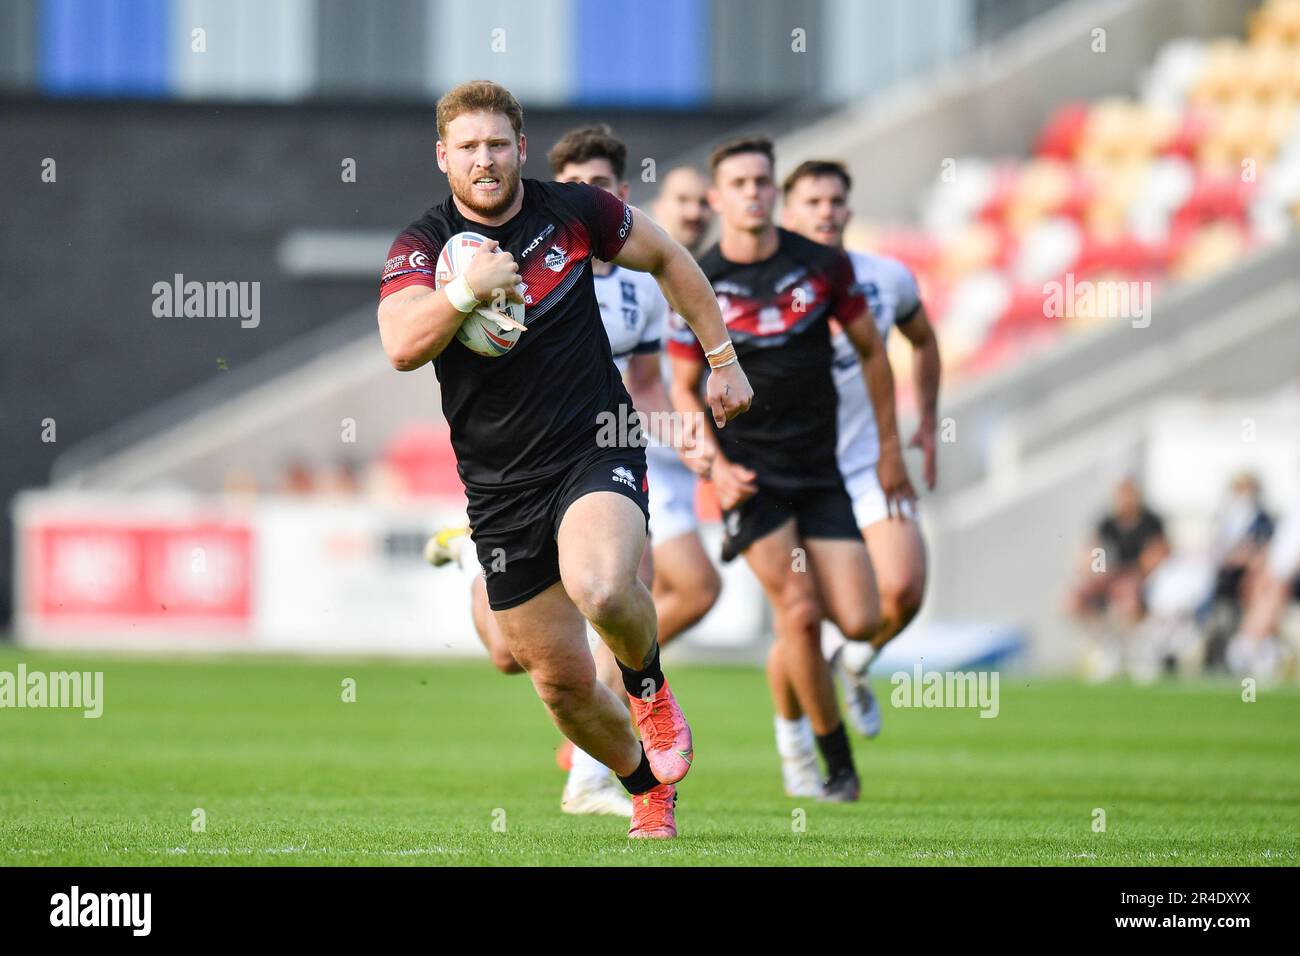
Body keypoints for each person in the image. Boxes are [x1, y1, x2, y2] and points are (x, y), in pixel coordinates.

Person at [377, 81, 753, 839]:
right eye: (468, 147)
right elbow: (400, 347)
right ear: (442, 156)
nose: (484, 159)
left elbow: (670, 257)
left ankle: (649, 688)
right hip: (499, 486)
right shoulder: (421, 246)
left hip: (595, 443)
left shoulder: (575, 213)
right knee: (557, 681)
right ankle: (647, 787)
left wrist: (723, 359)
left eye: (497, 144)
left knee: (603, 586)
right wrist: (463, 296)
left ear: (520, 148)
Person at [668, 135, 914, 801]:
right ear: (718, 198)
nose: (753, 193)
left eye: (762, 182)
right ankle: (829, 763)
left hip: (821, 471)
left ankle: (813, 705)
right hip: (752, 479)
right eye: (740, 183)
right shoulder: (698, 279)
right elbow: (683, 389)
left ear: (775, 191)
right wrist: (714, 467)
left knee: (861, 618)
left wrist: (891, 447)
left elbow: (873, 352)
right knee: (798, 612)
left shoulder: (822, 266)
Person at [772, 159, 940, 760]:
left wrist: (921, 429)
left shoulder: (884, 278)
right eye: (812, 201)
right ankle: (793, 739)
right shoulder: (761, 284)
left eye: (835, 200)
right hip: (795, 475)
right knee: (801, 616)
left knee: (904, 588)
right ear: (787, 212)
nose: (826, 211)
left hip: (869, 463)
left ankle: (856, 662)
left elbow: (923, 342)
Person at [1067, 476, 1170, 679]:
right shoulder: (1107, 523)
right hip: (1112, 578)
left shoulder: (1151, 522)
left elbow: (1154, 559)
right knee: (1072, 601)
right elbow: (1094, 552)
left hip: (1141, 580)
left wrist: (1126, 576)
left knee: (1126, 596)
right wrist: (1096, 572)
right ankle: (1105, 646)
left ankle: (1138, 654)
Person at [648, 166, 712, 256]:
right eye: (683, 200)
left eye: (704, 203)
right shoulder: (633, 266)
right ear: (658, 207)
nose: (694, 213)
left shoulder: (721, 267)